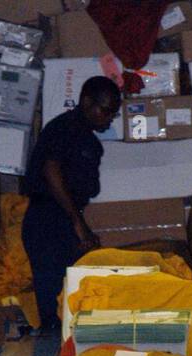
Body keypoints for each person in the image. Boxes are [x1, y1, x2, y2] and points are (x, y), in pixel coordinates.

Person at [21, 77, 122, 333]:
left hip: (63, 219)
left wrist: (79, 224)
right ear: (87, 102)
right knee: (55, 307)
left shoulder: (88, 140)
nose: (109, 118)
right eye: (106, 109)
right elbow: (51, 171)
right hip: (47, 221)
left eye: (113, 112)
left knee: (73, 300)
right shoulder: (64, 128)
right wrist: (77, 223)